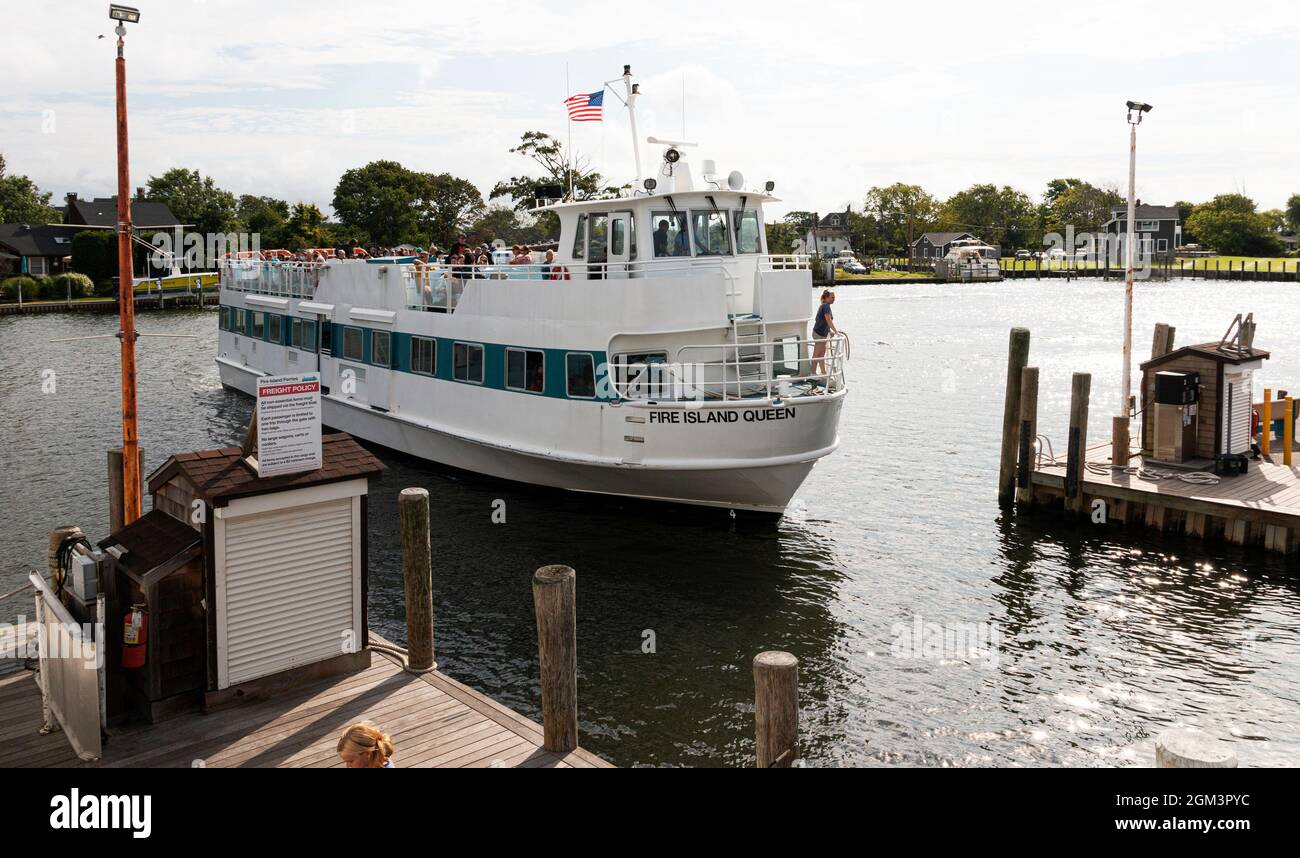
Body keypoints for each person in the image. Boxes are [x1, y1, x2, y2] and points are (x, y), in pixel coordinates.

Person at [810, 289, 837, 386]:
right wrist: (836, 331)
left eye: (834, 297)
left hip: (822, 333)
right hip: (819, 334)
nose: (834, 299)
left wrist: (829, 331)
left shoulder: (825, 306)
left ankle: (823, 372)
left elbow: (824, 322)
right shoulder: (825, 306)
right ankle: (812, 373)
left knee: (822, 353)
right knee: (817, 353)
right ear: (826, 297)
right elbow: (828, 320)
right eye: (832, 297)